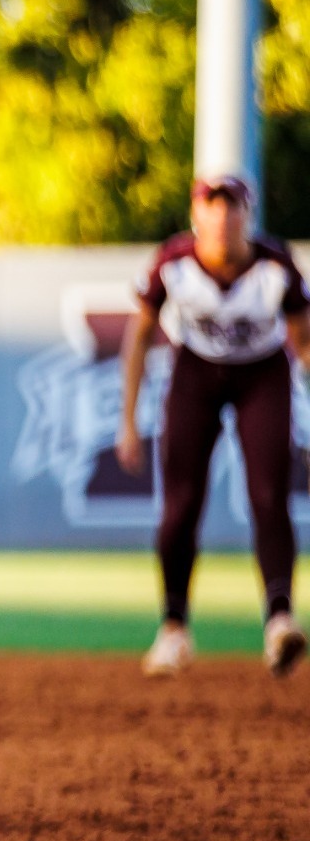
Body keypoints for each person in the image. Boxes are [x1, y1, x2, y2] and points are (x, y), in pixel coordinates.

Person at [117, 174, 310, 680]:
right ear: (195, 215)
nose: (221, 219)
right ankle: (174, 629)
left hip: (262, 374)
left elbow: (303, 339)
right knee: (180, 503)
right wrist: (128, 420)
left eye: (231, 207)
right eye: (211, 206)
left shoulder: (276, 267)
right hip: (196, 373)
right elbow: (138, 335)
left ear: (249, 214)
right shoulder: (174, 265)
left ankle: (279, 621)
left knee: (269, 495)